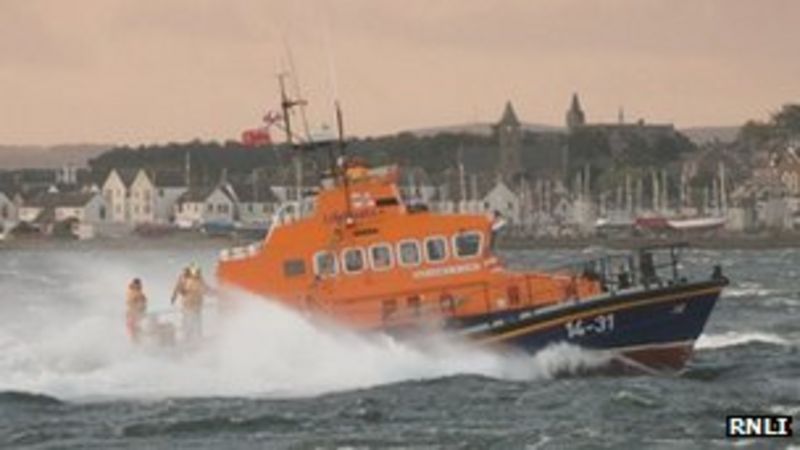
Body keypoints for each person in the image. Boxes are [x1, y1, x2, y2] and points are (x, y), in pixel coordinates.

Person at [172, 264, 210, 341]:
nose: (198, 273)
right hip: (188, 305)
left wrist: (216, 293)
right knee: (187, 321)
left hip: (197, 305)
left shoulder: (199, 279)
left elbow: (205, 289)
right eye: (196, 272)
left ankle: (198, 337)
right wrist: (174, 296)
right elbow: (178, 288)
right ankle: (187, 338)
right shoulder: (184, 278)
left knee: (197, 322)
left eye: (198, 272)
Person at [125, 278, 147, 344]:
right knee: (135, 334)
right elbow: (141, 305)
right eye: (140, 285)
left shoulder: (130, 291)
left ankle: (135, 347)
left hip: (131, 315)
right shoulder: (137, 293)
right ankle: (136, 346)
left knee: (133, 334)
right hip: (133, 316)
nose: (141, 286)